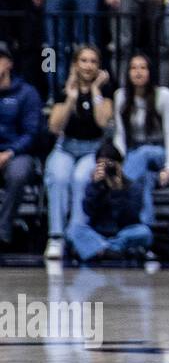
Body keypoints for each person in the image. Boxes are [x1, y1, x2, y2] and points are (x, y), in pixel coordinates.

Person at [44, 43, 114, 262]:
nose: (88, 66)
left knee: (80, 178)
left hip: (92, 149)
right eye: (84, 60)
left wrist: (94, 91)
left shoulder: (106, 90)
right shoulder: (62, 89)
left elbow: (103, 122)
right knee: (58, 177)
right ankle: (56, 236)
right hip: (66, 147)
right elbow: (55, 127)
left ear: (99, 67)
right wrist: (71, 98)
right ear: (75, 64)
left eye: (93, 61)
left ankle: (77, 235)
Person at [112, 52, 169, 227]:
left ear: (150, 72)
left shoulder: (163, 95)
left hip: (160, 152)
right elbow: (120, 134)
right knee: (145, 181)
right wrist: (119, 161)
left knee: (144, 152)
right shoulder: (121, 96)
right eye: (133, 68)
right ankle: (143, 230)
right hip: (134, 155)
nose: (138, 72)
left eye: (143, 68)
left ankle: (118, 196)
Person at [66, 139, 153, 264]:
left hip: (124, 232)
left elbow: (130, 216)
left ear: (120, 164)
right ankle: (114, 250)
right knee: (74, 230)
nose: (107, 168)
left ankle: (101, 250)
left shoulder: (132, 186)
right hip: (99, 232)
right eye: (102, 164)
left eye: (110, 163)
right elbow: (89, 211)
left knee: (144, 233)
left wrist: (118, 189)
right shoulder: (94, 186)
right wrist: (96, 187)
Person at [0, 41, 41, 249]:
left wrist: (10, 152)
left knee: (18, 173)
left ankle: (3, 231)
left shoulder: (27, 93)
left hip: (17, 154)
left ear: (9, 64)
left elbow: (31, 133)